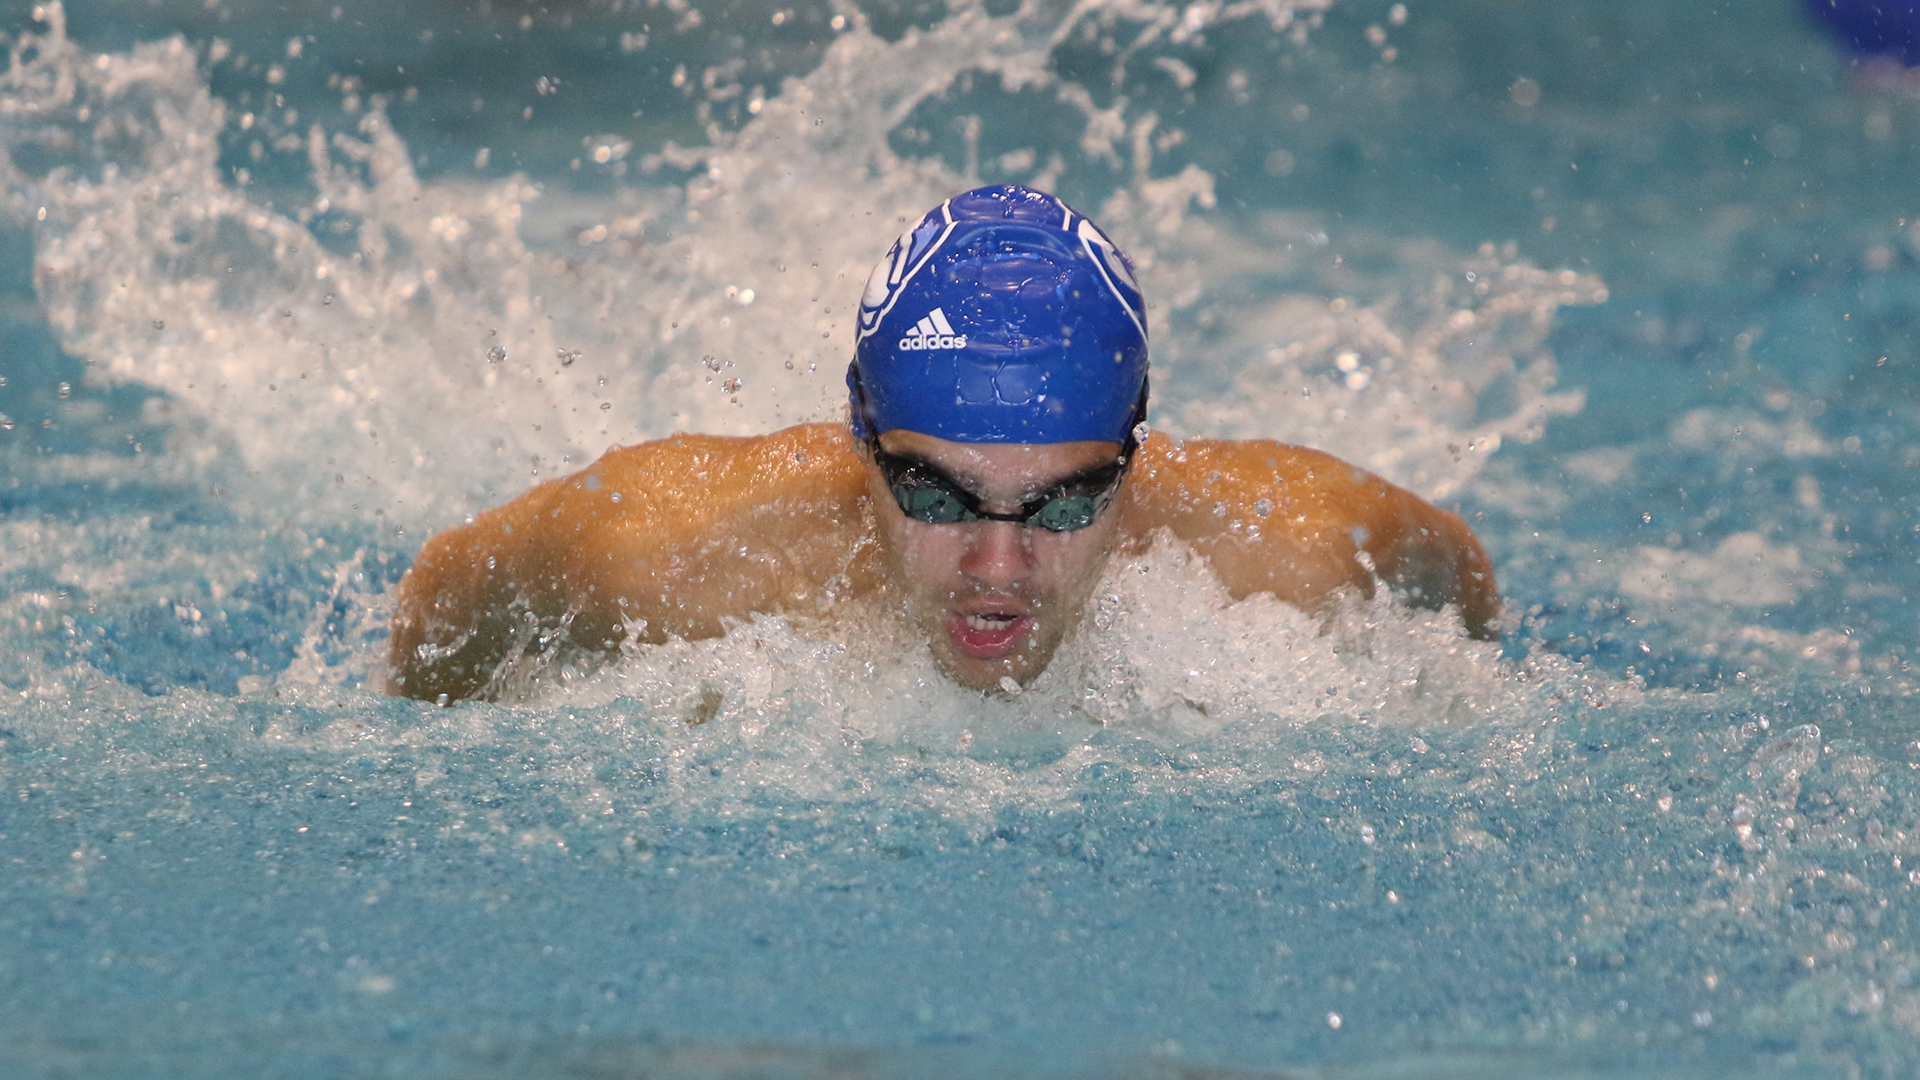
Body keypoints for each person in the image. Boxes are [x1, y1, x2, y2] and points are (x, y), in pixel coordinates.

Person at [387, 184, 1499, 702]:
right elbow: (439, 600)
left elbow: (1457, 582)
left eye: (1064, 503)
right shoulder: (669, 548)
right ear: (859, 446)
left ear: (1133, 460)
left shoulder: (1287, 551)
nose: (1000, 571)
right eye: (937, 495)